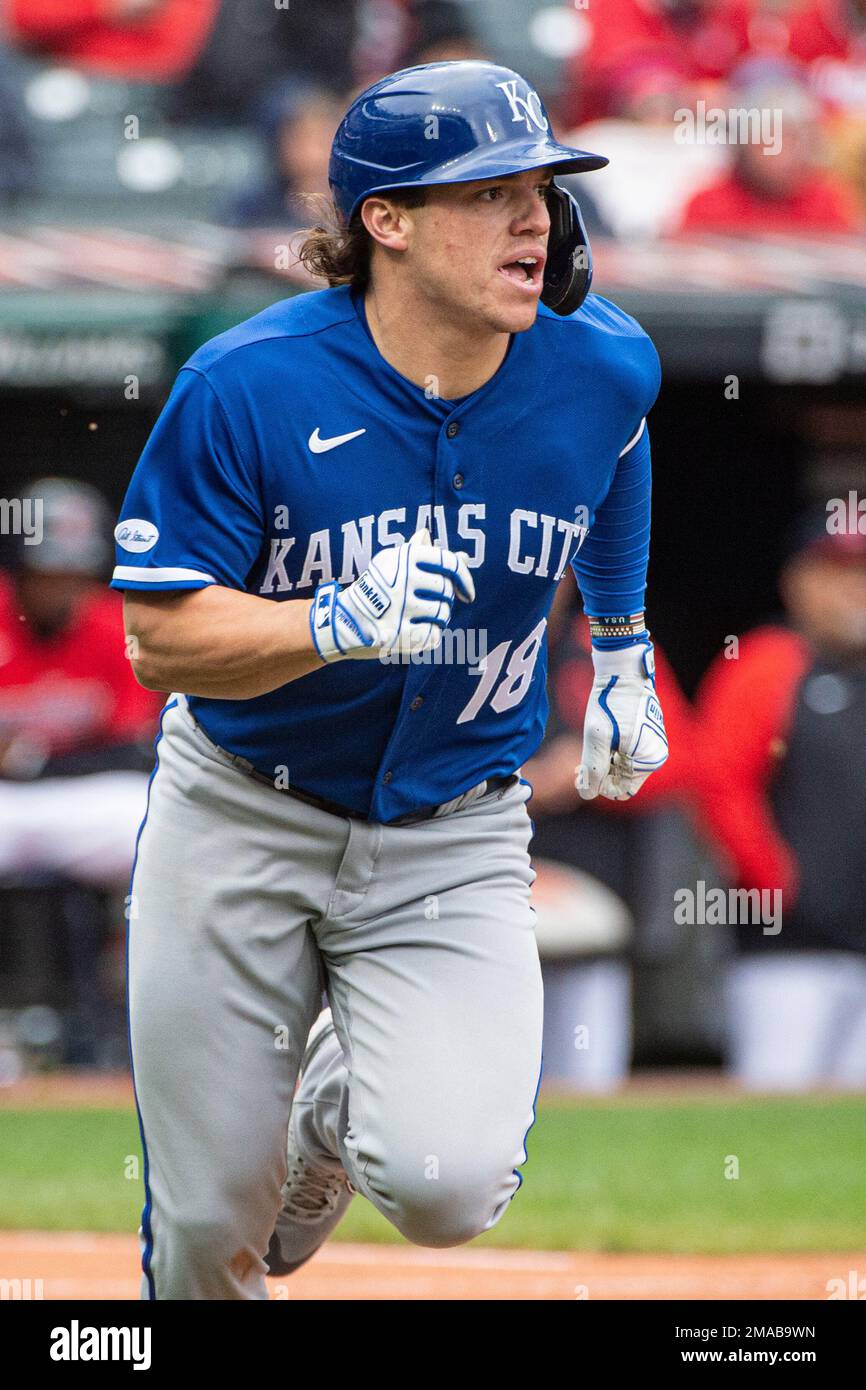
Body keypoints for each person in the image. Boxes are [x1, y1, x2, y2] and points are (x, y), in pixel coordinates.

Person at [115, 59, 668, 1300]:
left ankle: (326, 1135)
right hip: (245, 807)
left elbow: (620, 444)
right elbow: (160, 642)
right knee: (209, 1232)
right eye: (490, 194)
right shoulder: (245, 383)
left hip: (453, 823)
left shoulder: (597, 359)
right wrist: (329, 621)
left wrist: (623, 641)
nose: (535, 220)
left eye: (541, 189)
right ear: (387, 220)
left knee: (441, 1180)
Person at [695, 512, 866, 1089]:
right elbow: (719, 783)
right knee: (776, 1109)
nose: (854, 587)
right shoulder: (769, 660)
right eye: (837, 570)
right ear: (798, 580)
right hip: (790, 951)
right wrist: (776, 884)